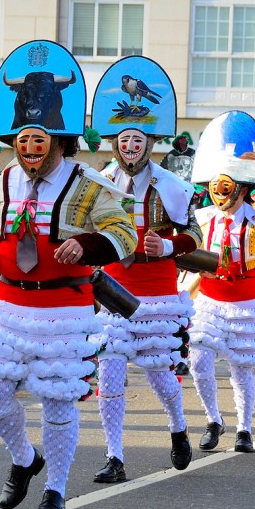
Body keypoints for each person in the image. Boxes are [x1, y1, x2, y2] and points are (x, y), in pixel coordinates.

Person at [0, 41, 137, 509]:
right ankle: (24, 459)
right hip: (9, 307)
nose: (30, 149)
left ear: (61, 141)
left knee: (59, 401)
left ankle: (55, 489)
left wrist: (88, 245)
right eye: (23, 140)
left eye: (40, 141)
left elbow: (124, 234)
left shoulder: (87, 184)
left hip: (65, 308)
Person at [90, 56, 201, 482]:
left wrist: (169, 243)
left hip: (157, 294)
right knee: (110, 369)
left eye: (138, 142)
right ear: (115, 143)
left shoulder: (172, 186)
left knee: (160, 376)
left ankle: (178, 428)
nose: (130, 149)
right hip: (114, 292)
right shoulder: (99, 182)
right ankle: (115, 457)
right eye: (124, 142)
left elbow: (195, 236)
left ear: (149, 144)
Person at [188, 110, 255, 454]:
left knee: (242, 368)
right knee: (198, 360)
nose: (220, 192)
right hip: (209, 299)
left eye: (227, 186)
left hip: (246, 302)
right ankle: (214, 418)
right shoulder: (199, 220)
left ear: (243, 187)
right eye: (216, 186)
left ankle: (244, 428)